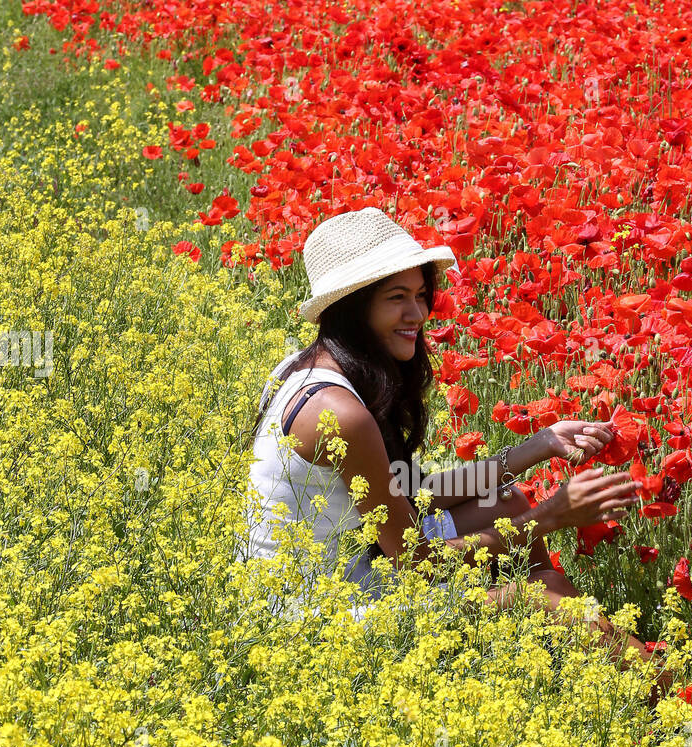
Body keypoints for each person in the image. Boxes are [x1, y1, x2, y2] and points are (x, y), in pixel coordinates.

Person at [238, 207, 658, 672]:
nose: (417, 314)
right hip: (314, 619)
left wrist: (538, 445)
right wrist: (552, 516)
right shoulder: (339, 414)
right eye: (397, 298)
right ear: (352, 308)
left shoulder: (313, 365)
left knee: (508, 502)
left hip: (356, 564)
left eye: (421, 295)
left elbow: (410, 494)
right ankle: (663, 693)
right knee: (539, 596)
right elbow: (415, 561)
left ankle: (574, 660)